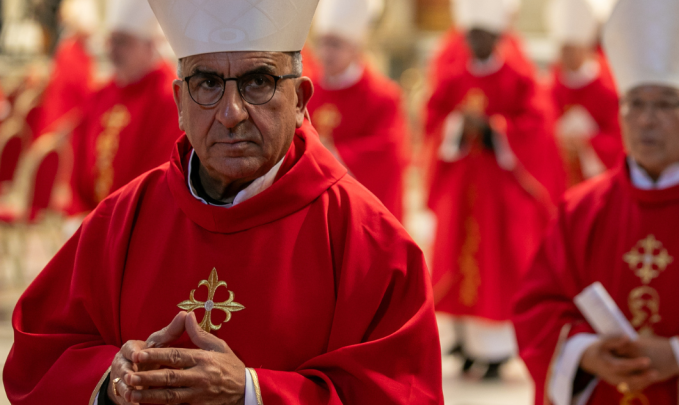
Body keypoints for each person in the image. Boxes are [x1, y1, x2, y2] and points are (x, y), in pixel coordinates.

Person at [3, 0, 444, 404]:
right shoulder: (121, 220)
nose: (231, 112)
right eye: (208, 83)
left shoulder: (372, 244)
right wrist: (111, 380)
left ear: (301, 101)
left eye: (258, 82)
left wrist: (252, 392)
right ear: (179, 102)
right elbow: (38, 358)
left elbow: (401, 393)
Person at [513, 0, 679, 404]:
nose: (646, 119)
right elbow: (538, 307)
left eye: (666, 103)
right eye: (634, 103)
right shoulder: (580, 210)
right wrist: (585, 352)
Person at [425, 0, 564, 380]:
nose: (475, 42)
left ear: (498, 35)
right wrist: (456, 125)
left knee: (497, 264)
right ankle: (466, 344)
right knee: (457, 260)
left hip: (500, 193)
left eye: (483, 35)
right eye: (471, 35)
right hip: (464, 188)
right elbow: (433, 118)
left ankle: (497, 350)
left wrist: (494, 130)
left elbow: (537, 126)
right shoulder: (454, 76)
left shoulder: (519, 75)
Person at [67, 0, 182, 214]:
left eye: (123, 42)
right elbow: (78, 157)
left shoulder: (169, 97)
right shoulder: (101, 94)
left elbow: (162, 171)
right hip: (95, 216)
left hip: (139, 218)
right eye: (111, 41)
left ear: (150, 45)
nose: (113, 50)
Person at [308, 0, 410, 221]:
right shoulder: (306, 89)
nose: (325, 53)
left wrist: (334, 154)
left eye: (335, 45)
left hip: (359, 206)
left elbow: (388, 150)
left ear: (355, 48)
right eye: (322, 43)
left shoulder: (382, 95)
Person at [547, 0, 623, 187]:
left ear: (586, 47)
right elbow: (543, 122)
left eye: (572, 49)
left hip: (595, 179)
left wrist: (586, 143)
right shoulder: (554, 81)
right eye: (563, 49)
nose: (567, 56)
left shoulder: (606, 85)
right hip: (561, 174)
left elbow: (618, 139)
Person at [28, 0, 97, 139]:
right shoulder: (72, 53)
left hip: (63, 124)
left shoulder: (70, 49)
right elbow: (87, 94)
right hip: (61, 130)